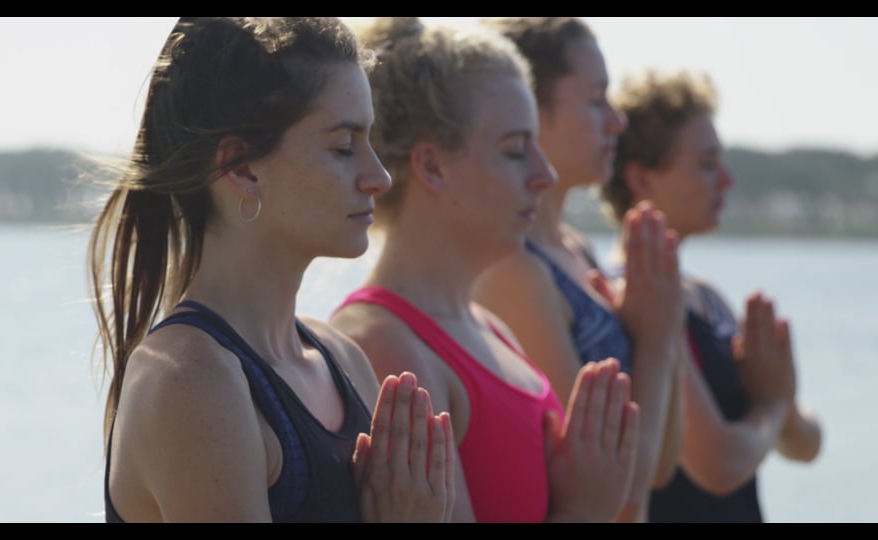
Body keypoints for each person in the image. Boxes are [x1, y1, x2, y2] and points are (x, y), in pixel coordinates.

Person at [87, 17, 456, 523]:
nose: (379, 176)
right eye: (344, 147)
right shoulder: (189, 380)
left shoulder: (344, 361)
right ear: (242, 167)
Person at [330, 17, 639, 523]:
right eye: (516, 151)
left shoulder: (488, 326)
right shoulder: (391, 351)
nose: (546, 176)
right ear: (431, 166)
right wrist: (585, 511)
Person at [474, 17, 685, 522]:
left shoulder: (579, 251)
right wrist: (655, 339)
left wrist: (662, 330)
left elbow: (662, 465)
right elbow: (617, 494)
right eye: (596, 100)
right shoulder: (513, 271)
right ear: (528, 106)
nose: (617, 121)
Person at [600, 69, 823, 522]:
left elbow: (807, 443)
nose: (727, 180)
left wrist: (777, 401)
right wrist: (775, 404)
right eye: (706, 164)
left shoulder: (704, 296)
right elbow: (717, 465)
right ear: (641, 180)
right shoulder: (629, 298)